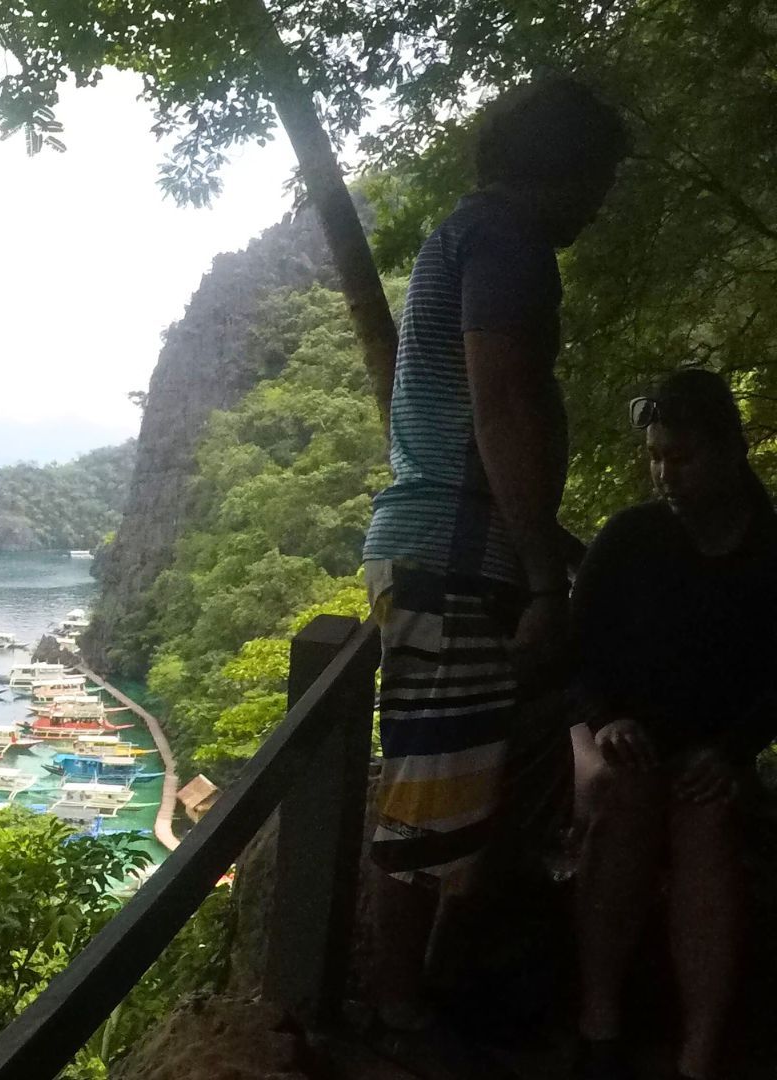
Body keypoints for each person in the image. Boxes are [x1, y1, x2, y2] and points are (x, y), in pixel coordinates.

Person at [360, 75, 629, 1060]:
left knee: (464, 794)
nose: (600, 202)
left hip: (454, 550)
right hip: (452, 561)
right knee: (426, 804)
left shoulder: (470, 234)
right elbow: (502, 404)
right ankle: (402, 1013)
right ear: (560, 171)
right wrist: (546, 578)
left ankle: (432, 992)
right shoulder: (510, 241)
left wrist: (551, 545)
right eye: (597, 178)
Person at [570, 369, 777, 1080]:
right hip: (617, 731)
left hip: (711, 749)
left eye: (680, 458)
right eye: (656, 457)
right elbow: (575, 652)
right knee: (625, 797)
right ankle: (598, 1022)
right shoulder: (632, 536)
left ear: (730, 450)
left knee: (706, 824)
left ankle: (699, 1053)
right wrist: (605, 719)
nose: (664, 474)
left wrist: (730, 752)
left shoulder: (770, 551)